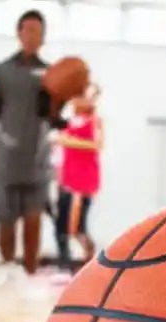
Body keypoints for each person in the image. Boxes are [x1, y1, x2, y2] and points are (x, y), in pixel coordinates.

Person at [0, 10, 68, 289]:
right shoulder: (1, 72)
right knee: (5, 218)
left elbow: (53, 119)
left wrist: (69, 106)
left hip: (37, 160)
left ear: (43, 36)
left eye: (38, 31)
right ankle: (7, 267)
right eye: (28, 30)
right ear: (19, 33)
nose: (32, 36)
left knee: (34, 218)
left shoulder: (51, 75)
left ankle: (30, 273)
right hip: (5, 158)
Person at [54, 83, 102, 272]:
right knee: (64, 223)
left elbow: (97, 145)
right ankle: (66, 263)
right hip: (67, 176)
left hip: (84, 178)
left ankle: (92, 260)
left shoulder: (95, 120)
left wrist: (67, 141)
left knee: (77, 227)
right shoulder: (69, 121)